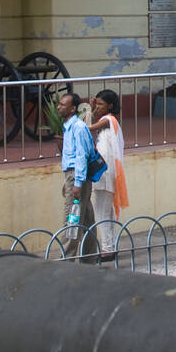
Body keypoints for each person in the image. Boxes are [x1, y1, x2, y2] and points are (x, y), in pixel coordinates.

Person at [57, 92, 100, 261]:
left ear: (72, 108)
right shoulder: (69, 126)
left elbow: (81, 156)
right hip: (73, 175)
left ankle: (66, 258)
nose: (59, 107)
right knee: (87, 216)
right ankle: (90, 257)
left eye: (62, 104)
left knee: (72, 218)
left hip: (77, 175)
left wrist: (77, 182)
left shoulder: (78, 128)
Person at [88, 89, 129, 259]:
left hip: (104, 174)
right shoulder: (108, 121)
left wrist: (90, 112)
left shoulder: (108, 120)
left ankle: (107, 249)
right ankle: (110, 246)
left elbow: (88, 128)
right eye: (96, 103)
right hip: (106, 172)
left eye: (100, 104)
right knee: (107, 211)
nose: (97, 107)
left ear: (110, 106)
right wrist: (93, 110)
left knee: (102, 212)